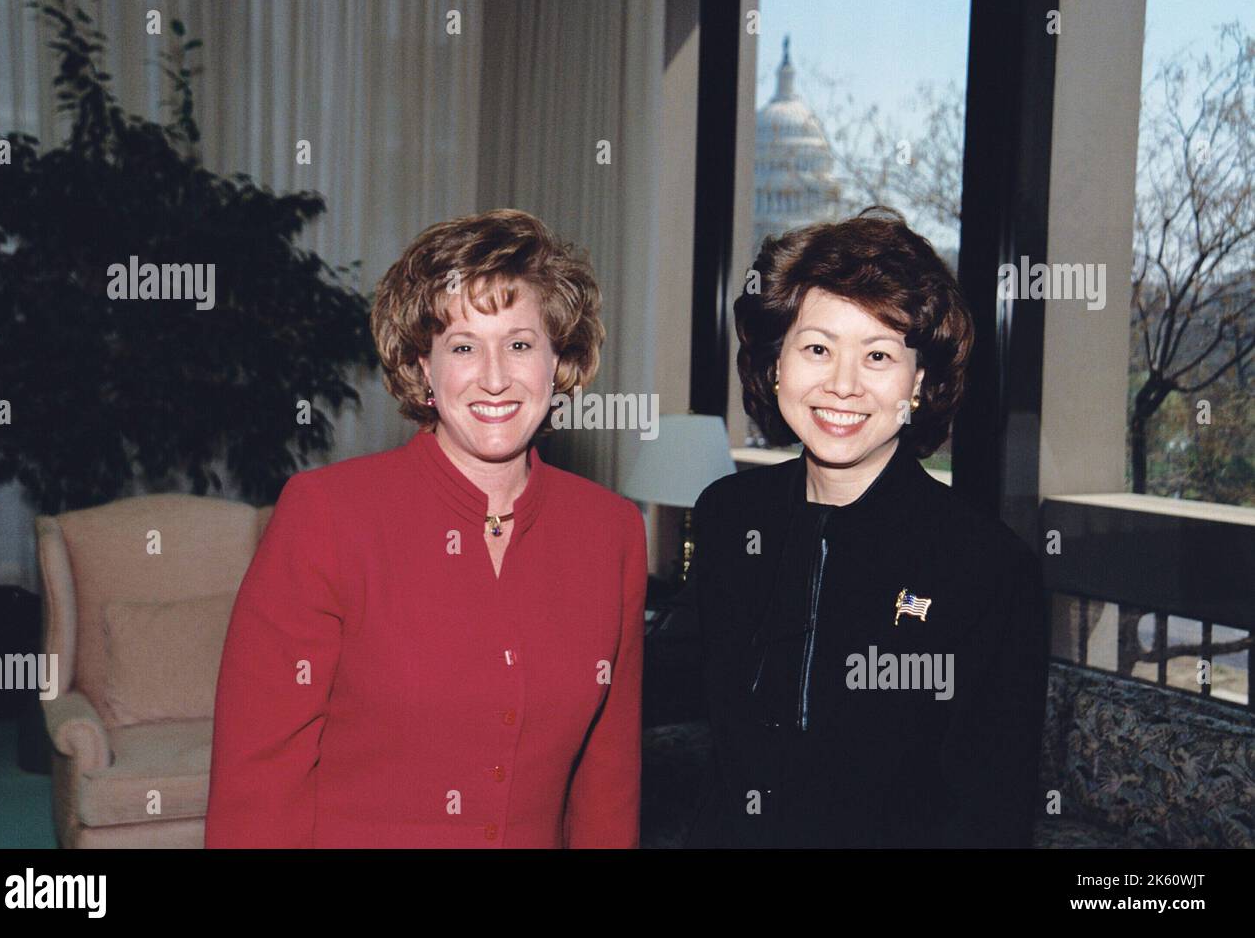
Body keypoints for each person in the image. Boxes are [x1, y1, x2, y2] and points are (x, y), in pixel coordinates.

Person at [205, 208, 647, 848]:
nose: (494, 377)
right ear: (422, 369)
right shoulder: (326, 516)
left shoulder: (611, 532)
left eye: (520, 344)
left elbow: (608, 785)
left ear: (560, 362)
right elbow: (257, 785)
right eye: (463, 346)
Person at [684, 206, 1050, 848]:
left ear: (919, 381)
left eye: (878, 355)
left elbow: (989, 815)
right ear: (776, 365)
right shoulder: (727, 516)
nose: (843, 385)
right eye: (817, 348)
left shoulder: (988, 569)